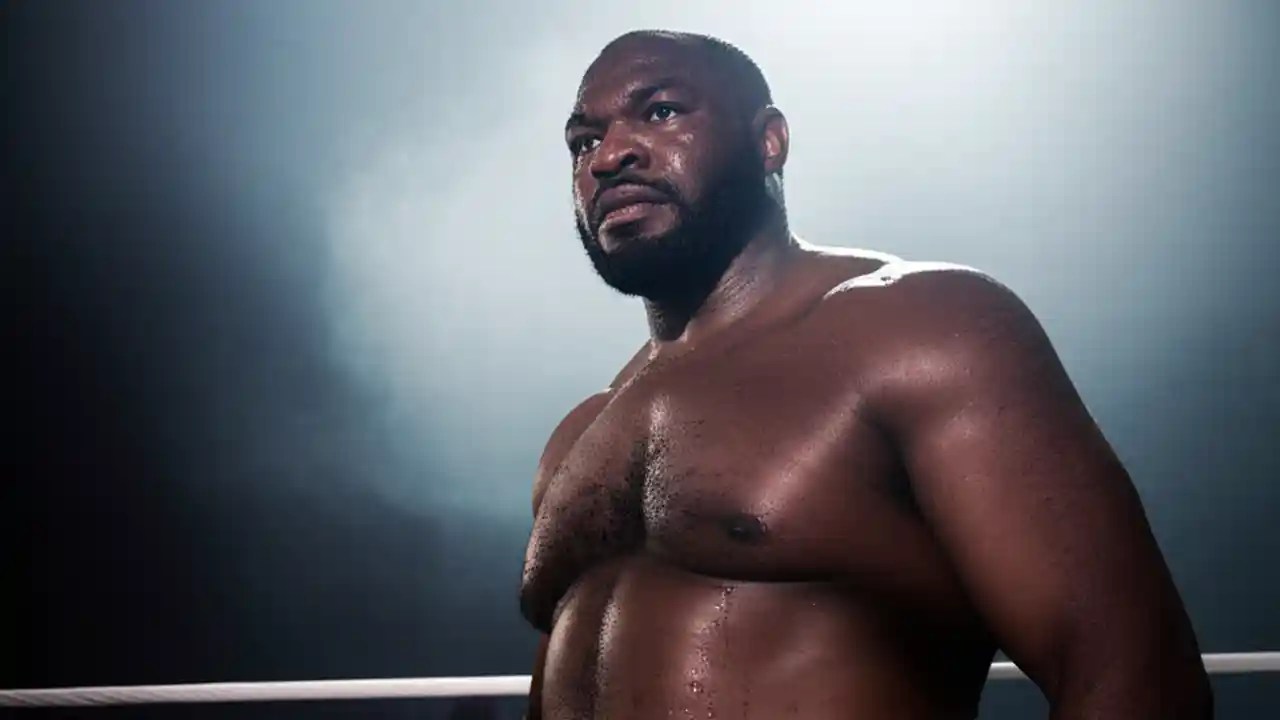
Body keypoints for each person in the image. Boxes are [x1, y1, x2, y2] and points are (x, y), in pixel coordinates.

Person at [518, 29, 1211, 719]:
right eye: (583, 141)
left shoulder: (920, 327)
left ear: (769, 141)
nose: (609, 156)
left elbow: (1136, 678)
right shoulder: (580, 434)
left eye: (662, 112)